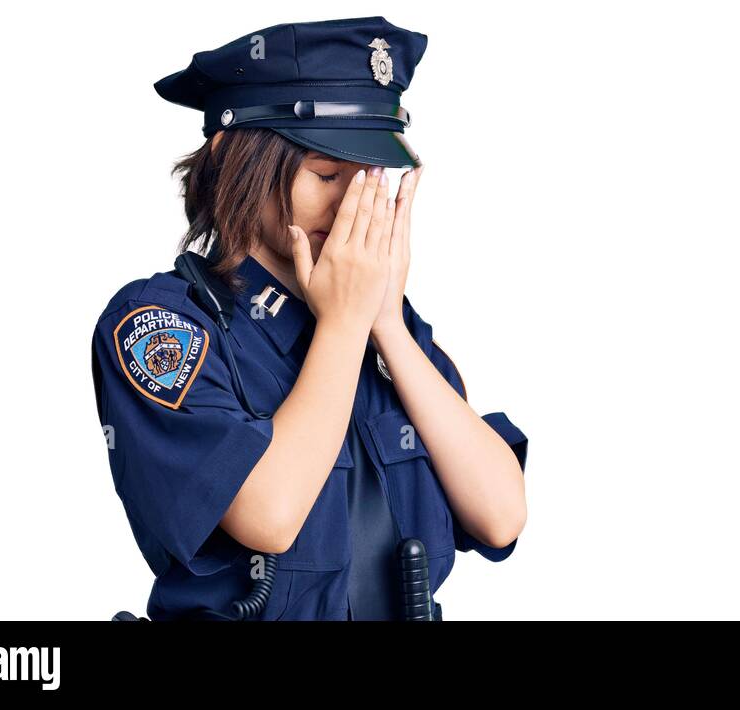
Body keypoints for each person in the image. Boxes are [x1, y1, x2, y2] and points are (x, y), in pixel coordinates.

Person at [91, 17, 529, 621]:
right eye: (325, 175)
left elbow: (501, 515)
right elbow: (269, 515)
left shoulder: (386, 328)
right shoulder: (163, 323)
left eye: (368, 180)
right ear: (231, 162)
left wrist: (387, 326)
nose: (350, 204)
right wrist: (344, 326)